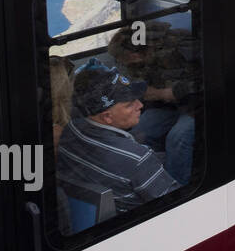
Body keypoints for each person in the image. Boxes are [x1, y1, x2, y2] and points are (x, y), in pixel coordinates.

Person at [57, 60, 180, 219]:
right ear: (107, 117)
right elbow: (177, 205)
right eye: (129, 105)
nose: (140, 104)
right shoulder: (138, 159)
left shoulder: (70, 129)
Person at [106, 24, 198, 186]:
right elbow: (140, 83)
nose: (123, 64)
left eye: (124, 59)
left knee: (178, 138)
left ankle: (175, 187)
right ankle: (149, 180)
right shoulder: (139, 60)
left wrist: (169, 93)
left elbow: (208, 79)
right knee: (141, 130)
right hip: (170, 107)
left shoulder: (181, 46)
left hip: (199, 105)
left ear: (134, 55)